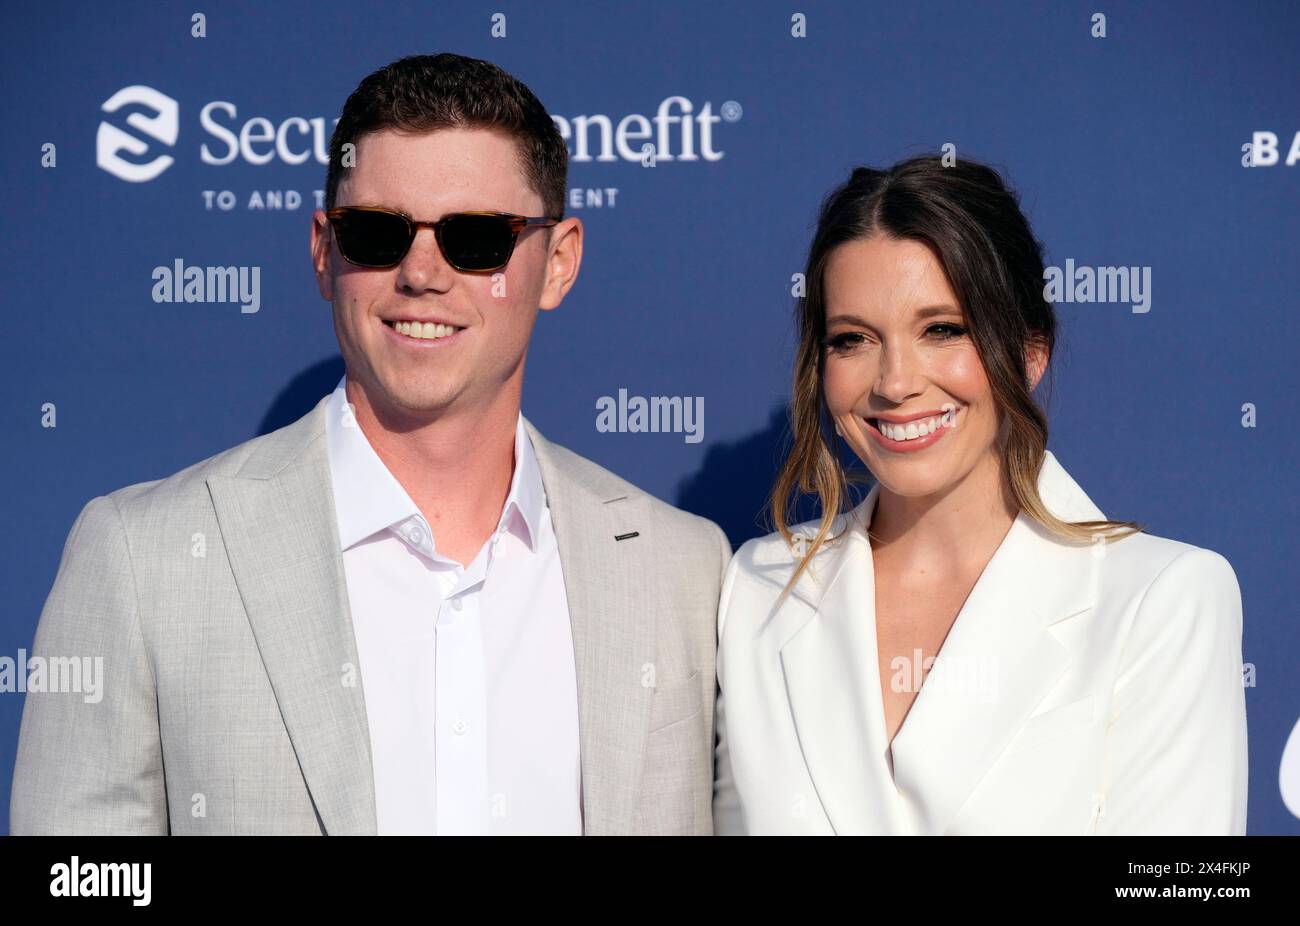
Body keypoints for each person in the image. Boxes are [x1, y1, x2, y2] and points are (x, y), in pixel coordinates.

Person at [11, 53, 729, 836]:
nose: (422, 271)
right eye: (377, 233)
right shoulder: (142, 559)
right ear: (325, 251)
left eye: (477, 239)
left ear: (558, 263)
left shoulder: (681, 572)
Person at [712, 156, 1248, 835]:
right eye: (854, 340)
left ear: (1030, 350)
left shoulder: (1162, 598)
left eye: (943, 329)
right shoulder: (759, 590)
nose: (896, 382)